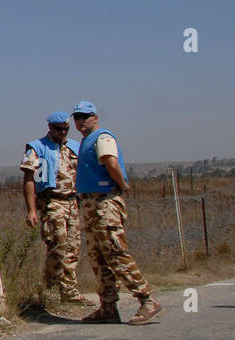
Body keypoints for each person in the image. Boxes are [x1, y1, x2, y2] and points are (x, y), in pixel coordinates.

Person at [70, 102, 161, 325]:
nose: (80, 121)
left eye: (85, 116)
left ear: (95, 117)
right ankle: (108, 307)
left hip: (105, 202)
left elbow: (110, 162)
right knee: (98, 257)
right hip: (91, 203)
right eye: (77, 117)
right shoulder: (86, 141)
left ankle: (147, 299)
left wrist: (121, 184)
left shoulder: (103, 137)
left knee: (115, 251)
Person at [19, 112, 84, 305]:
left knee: (73, 247)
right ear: (50, 127)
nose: (62, 132)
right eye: (58, 129)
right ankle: (51, 288)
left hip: (72, 201)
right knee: (58, 245)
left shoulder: (75, 147)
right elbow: (29, 179)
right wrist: (31, 210)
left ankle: (69, 292)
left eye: (66, 129)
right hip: (51, 201)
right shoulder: (37, 148)